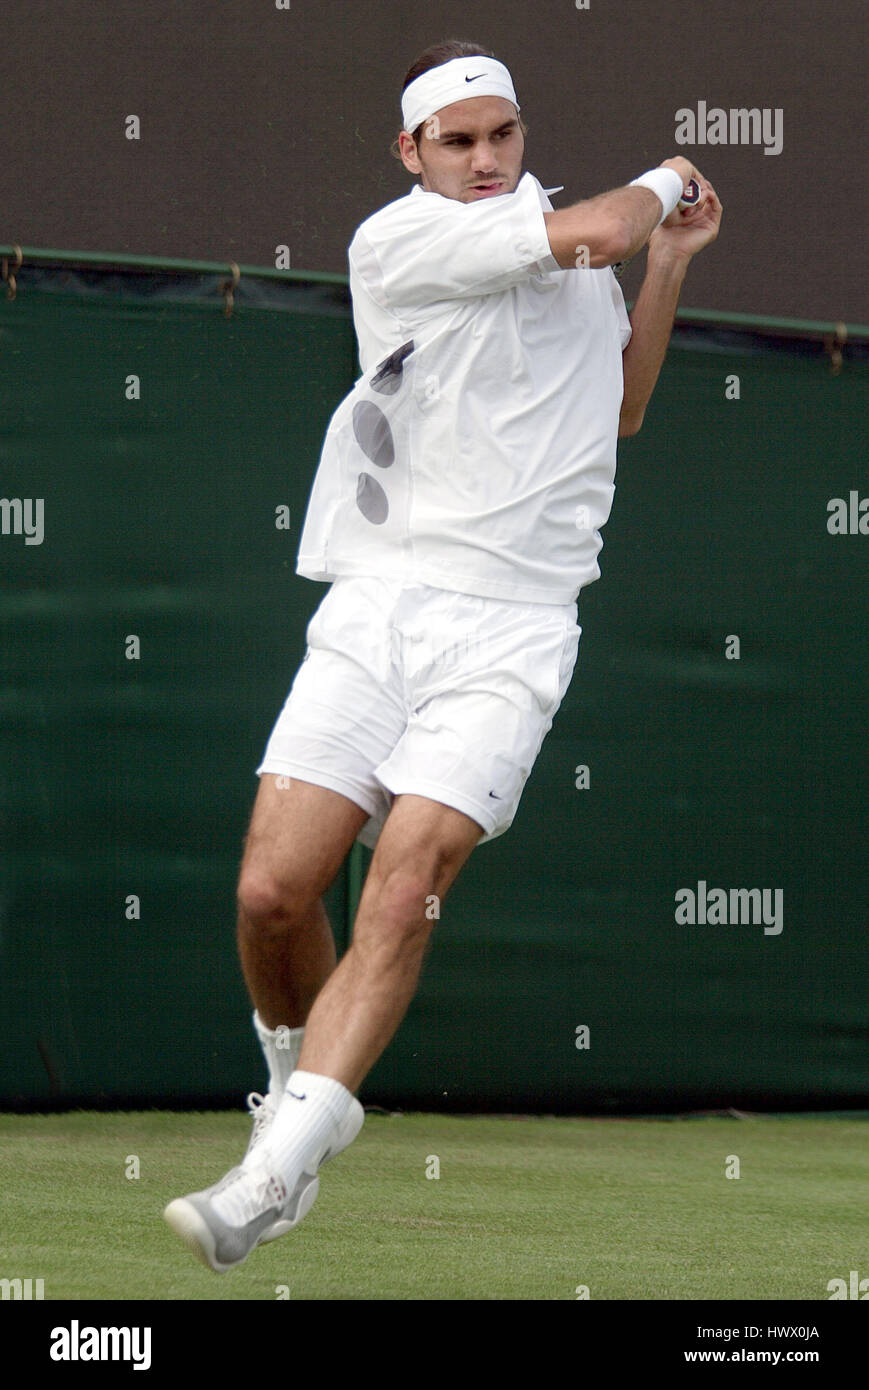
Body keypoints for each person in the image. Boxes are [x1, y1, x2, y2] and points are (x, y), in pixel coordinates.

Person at [164, 38, 722, 1272]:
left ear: (521, 134)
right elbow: (600, 227)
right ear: (411, 153)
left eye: (499, 136)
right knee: (272, 891)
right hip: (381, 603)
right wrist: (663, 182)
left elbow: (618, 404)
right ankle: (294, 1096)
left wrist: (669, 261)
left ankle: (272, 1173)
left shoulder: (573, 250)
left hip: (516, 624)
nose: (481, 159)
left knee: (409, 868)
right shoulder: (399, 242)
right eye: (454, 141)